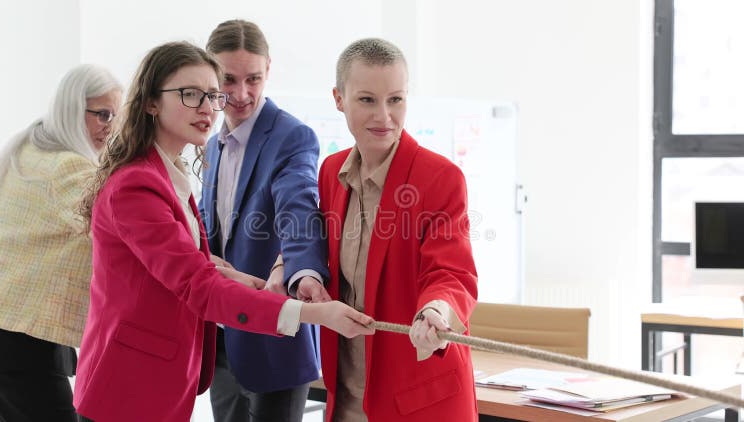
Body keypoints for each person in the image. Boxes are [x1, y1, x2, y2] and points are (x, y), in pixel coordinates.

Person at [72, 41, 374, 422]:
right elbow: (196, 286)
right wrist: (313, 314)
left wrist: (242, 277)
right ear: (151, 103)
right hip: (126, 390)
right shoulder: (137, 187)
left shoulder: (168, 172)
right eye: (191, 94)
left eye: (212, 96)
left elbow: (182, 258)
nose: (208, 108)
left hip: (152, 384)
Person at [0, 64, 122, 422]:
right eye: (103, 114)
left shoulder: (28, 149)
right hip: (15, 343)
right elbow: (123, 232)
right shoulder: (71, 170)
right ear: (72, 109)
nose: (111, 127)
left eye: (117, 116)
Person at [315, 38, 479, 421]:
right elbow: (319, 250)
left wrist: (436, 309)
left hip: (418, 401)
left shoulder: (440, 178)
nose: (384, 116)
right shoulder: (331, 172)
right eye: (367, 100)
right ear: (339, 99)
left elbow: (451, 272)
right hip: (348, 397)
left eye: (396, 100)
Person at [198, 19, 331, 422]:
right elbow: (212, 226)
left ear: (268, 69)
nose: (241, 94)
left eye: (253, 79)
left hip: (275, 334)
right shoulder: (211, 144)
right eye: (229, 80)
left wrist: (300, 268)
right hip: (223, 335)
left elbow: (299, 207)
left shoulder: (292, 136)